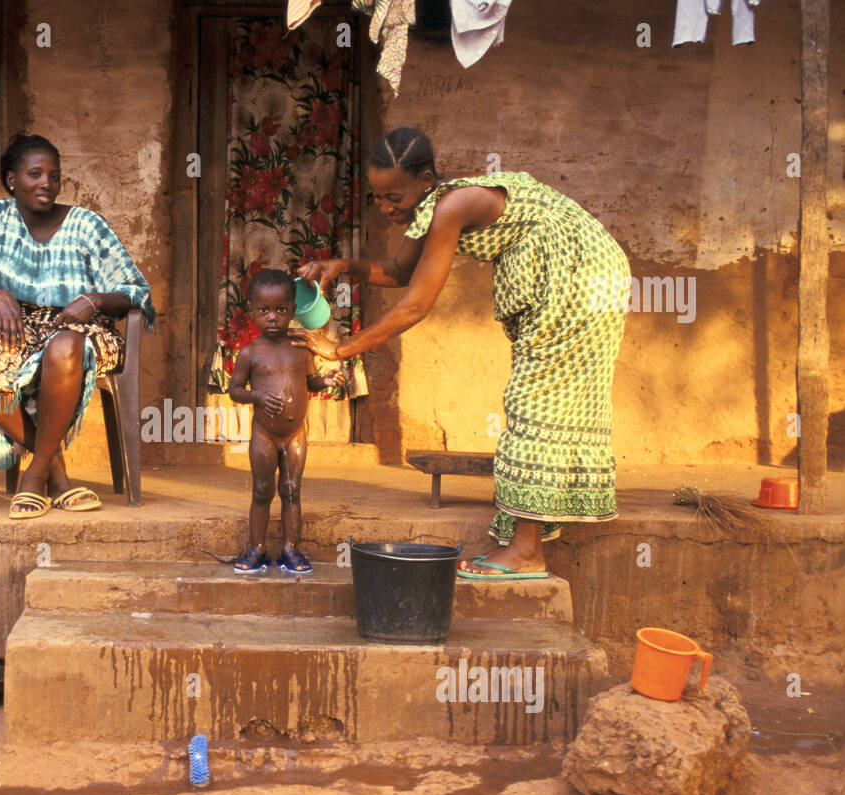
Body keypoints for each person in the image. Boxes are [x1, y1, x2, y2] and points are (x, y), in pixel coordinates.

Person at [294, 127, 631, 581]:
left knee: (535, 400)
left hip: (579, 275)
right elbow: (398, 270)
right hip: (578, 272)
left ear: (426, 179)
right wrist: (343, 266)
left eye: (394, 196)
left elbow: (414, 304)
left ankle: (527, 551)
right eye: (378, 198)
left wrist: (340, 350)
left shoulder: (452, 205)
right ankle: (531, 532)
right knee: (549, 401)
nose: (386, 207)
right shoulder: (436, 202)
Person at [0, 133, 155, 519]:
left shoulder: (88, 224)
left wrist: (94, 300)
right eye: (35, 174)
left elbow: (134, 291)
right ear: (11, 179)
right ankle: (55, 475)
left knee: (64, 346)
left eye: (54, 176)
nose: (47, 183)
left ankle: (33, 476)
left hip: (82, 328)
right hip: (17, 327)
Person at [228, 269, 343, 576]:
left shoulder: (300, 348)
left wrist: (326, 380)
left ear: (293, 310)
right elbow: (235, 390)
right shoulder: (250, 353)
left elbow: (310, 383)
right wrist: (258, 398)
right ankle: (257, 549)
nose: (272, 317)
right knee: (262, 491)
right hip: (264, 434)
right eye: (263, 310)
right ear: (251, 311)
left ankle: (291, 550)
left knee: (292, 490)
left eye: (281, 310)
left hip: (295, 435)